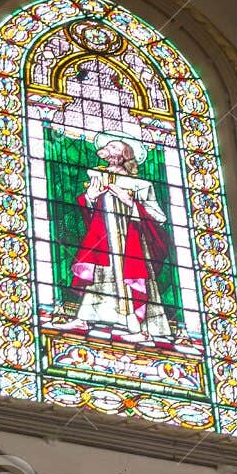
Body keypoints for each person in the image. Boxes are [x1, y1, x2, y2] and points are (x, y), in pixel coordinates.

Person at [69, 136, 172, 338]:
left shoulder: (141, 185)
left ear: (126, 154)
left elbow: (159, 217)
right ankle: (85, 319)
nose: (108, 150)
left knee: (133, 278)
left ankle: (141, 330)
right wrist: (90, 197)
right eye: (107, 146)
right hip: (104, 241)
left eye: (114, 147)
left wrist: (130, 202)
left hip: (132, 243)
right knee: (100, 278)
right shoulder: (98, 176)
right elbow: (90, 212)